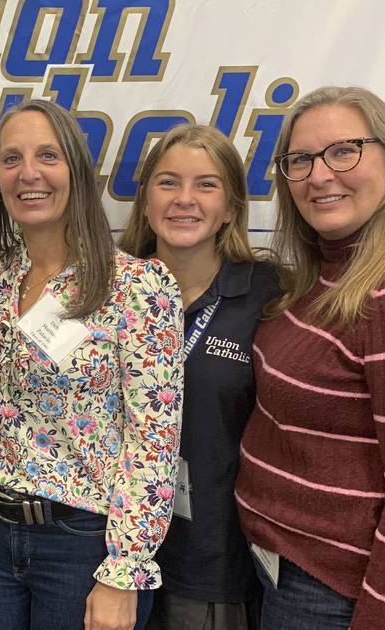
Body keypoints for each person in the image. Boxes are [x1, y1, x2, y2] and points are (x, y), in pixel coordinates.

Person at [0, 98, 184, 630]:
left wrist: (124, 572)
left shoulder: (137, 286)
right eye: (11, 159)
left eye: (48, 155)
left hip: (82, 545)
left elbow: (154, 440)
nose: (29, 173)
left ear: (78, 173)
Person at [234, 86, 385, 629]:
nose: (320, 175)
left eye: (344, 151)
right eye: (301, 159)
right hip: (280, 567)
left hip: (332, 592)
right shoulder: (323, 274)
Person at [118, 124, 280, 630]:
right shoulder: (108, 289)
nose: (184, 199)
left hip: (214, 563)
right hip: (106, 557)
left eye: (206, 185)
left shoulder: (270, 296)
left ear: (230, 207)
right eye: (168, 182)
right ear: (145, 200)